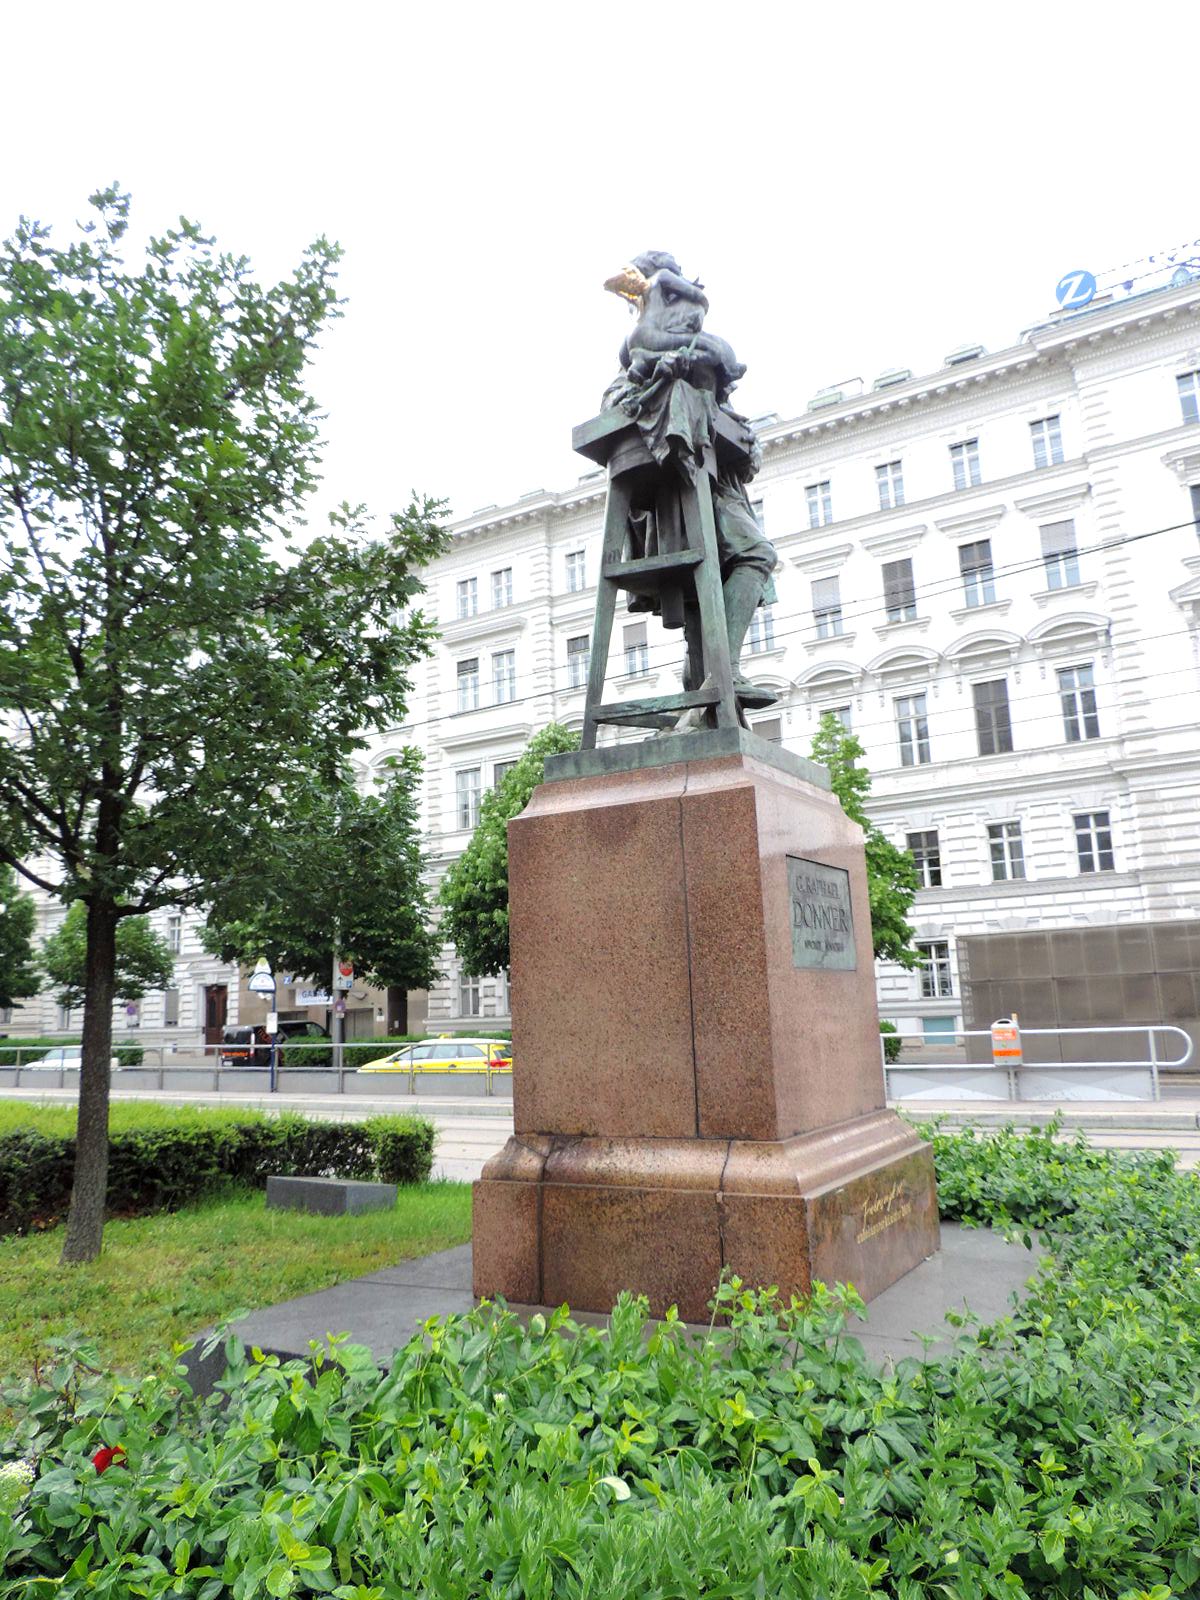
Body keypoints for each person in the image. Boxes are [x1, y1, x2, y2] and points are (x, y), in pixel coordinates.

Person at [602, 251, 777, 707]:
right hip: (676, 497)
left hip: (712, 485)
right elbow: (614, 414)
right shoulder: (633, 361)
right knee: (755, 555)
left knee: (723, 579)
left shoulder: (699, 354)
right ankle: (723, 677)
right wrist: (656, 373)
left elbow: (722, 362)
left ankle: (702, 704)